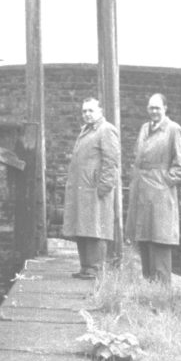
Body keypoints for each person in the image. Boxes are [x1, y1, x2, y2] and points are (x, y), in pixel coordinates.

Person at [125, 93, 181, 284]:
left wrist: (164, 182)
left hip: (160, 194)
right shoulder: (144, 128)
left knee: (160, 239)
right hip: (142, 191)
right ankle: (148, 287)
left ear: (165, 108)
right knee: (143, 237)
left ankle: (161, 293)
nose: (154, 112)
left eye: (157, 108)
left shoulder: (173, 129)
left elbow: (180, 164)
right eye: (151, 108)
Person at [61, 97, 121, 278]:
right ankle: (85, 267)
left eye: (91, 110)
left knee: (95, 228)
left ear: (100, 111)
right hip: (82, 189)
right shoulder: (86, 130)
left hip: (95, 189)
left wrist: (104, 186)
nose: (87, 114)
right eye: (84, 111)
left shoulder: (106, 130)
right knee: (82, 227)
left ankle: (95, 269)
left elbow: (111, 161)